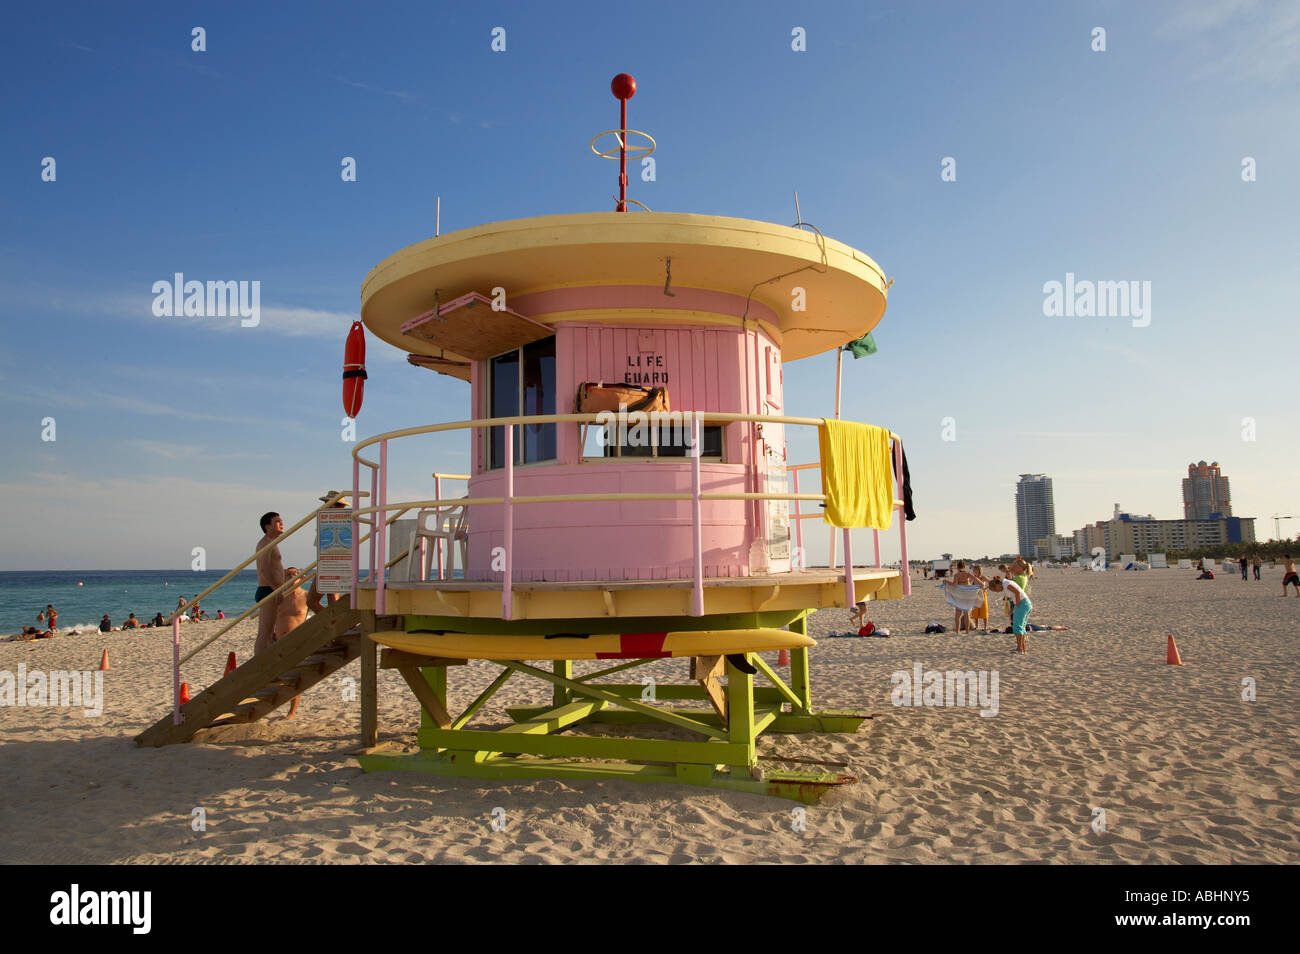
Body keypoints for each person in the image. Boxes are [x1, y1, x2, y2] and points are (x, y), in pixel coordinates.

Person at [271, 568, 310, 719]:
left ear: (302, 577)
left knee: (295, 677)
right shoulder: (279, 597)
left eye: (294, 573)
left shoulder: (307, 596)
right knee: (278, 676)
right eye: (287, 574)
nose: (291, 576)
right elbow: (271, 619)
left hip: (297, 641)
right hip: (278, 641)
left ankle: (292, 711)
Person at [255, 511, 286, 654]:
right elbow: (264, 569)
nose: (281, 523)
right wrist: (276, 590)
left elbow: (274, 569)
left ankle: (267, 662)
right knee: (265, 633)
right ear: (267, 526)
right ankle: (258, 666)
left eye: (281, 521)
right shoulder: (265, 543)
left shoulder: (272, 543)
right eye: (277, 521)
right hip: (268, 590)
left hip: (273, 589)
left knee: (271, 634)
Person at [987, 575, 1032, 652]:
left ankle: (1019, 648)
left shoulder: (1006, 584)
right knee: (1021, 626)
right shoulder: (1006, 583)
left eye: (995, 590)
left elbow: (1017, 593)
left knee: (1017, 627)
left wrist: (1017, 606)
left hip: (1022, 604)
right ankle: (1023, 647)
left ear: (997, 584)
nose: (997, 592)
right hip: (1026, 603)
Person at [968, 564, 991, 633]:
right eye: (973, 570)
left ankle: (985, 626)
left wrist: (985, 588)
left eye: (974, 570)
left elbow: (990, 582)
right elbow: (968, 583)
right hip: (974, 594)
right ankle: (976, 626)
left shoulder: (982, 577)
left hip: (982, 594)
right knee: (975, 610)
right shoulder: (973, 577)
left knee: (984, 610)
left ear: (978, 570)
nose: (973, 571)